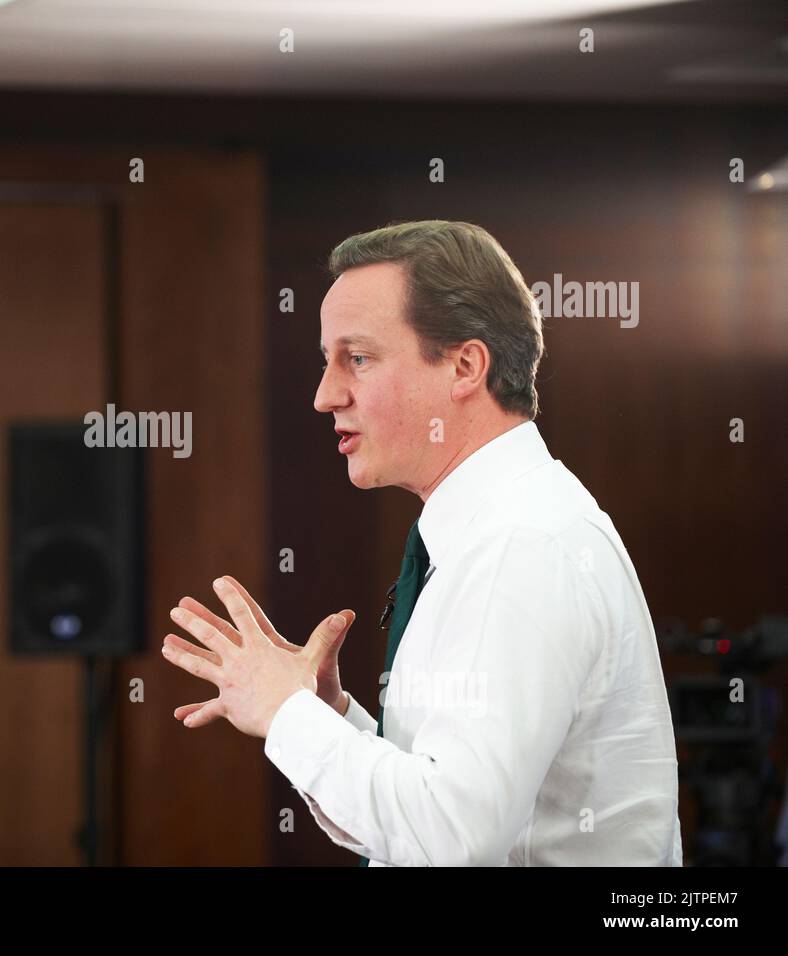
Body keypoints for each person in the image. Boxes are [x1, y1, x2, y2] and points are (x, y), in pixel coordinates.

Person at [160, 220, 682, 866]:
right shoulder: (502, 529)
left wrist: (288, 713)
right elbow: (440, 804)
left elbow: (451, 836)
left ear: (465, 365)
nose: (325, 395)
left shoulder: (518, 548)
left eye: (358, 357)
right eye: (327, 360)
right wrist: (329, 719)